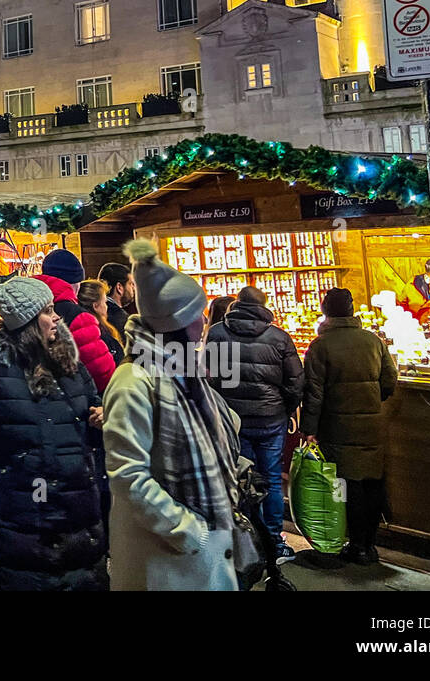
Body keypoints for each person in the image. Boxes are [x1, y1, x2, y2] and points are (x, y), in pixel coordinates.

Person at [0, 276, 107, 590]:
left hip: (76, 519)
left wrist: (101, 418)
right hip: (14, 525)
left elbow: (90, 421)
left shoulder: (70, 366)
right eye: (48, 311)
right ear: (28, 322)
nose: (57, 317)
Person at [102, 239, 243, 591]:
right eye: (198, 313)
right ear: (178, 323)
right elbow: (128, 476)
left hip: (202, 548)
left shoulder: (184, 371)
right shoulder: (134, 380)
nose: (205, 321)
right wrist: (192, 532)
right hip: (164, 558)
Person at [204, 285, 304, 560]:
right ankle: (273, 540)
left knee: (242, 479)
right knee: (271, 478)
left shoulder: (216, 334)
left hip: (234, 419)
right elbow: (296, 382)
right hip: (271, 419)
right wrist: (284, 407)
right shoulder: (279, 338)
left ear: (238, 304)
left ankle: (249, 540)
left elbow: (207, 377)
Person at [301, 287, 397, 565]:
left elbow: (314, 393)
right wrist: (370, 400)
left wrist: (309, 429)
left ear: (325, 311)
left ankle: (354, 545)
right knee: (372, 483)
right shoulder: (373, 341)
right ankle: (370, 544)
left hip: (336, 425)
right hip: (372, 424)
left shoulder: (320, 346)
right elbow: (390, 381)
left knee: (348, 486)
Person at [37, 249, 116, 394]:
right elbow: (102, 371)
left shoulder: (31, 311)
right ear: (76, 283)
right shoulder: (79, 317)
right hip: (79, 401)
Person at [77, 279, 126, 367]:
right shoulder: (102, 335)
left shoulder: (77, 329)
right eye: (105, 302)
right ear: (95, 306)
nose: (107, 307)